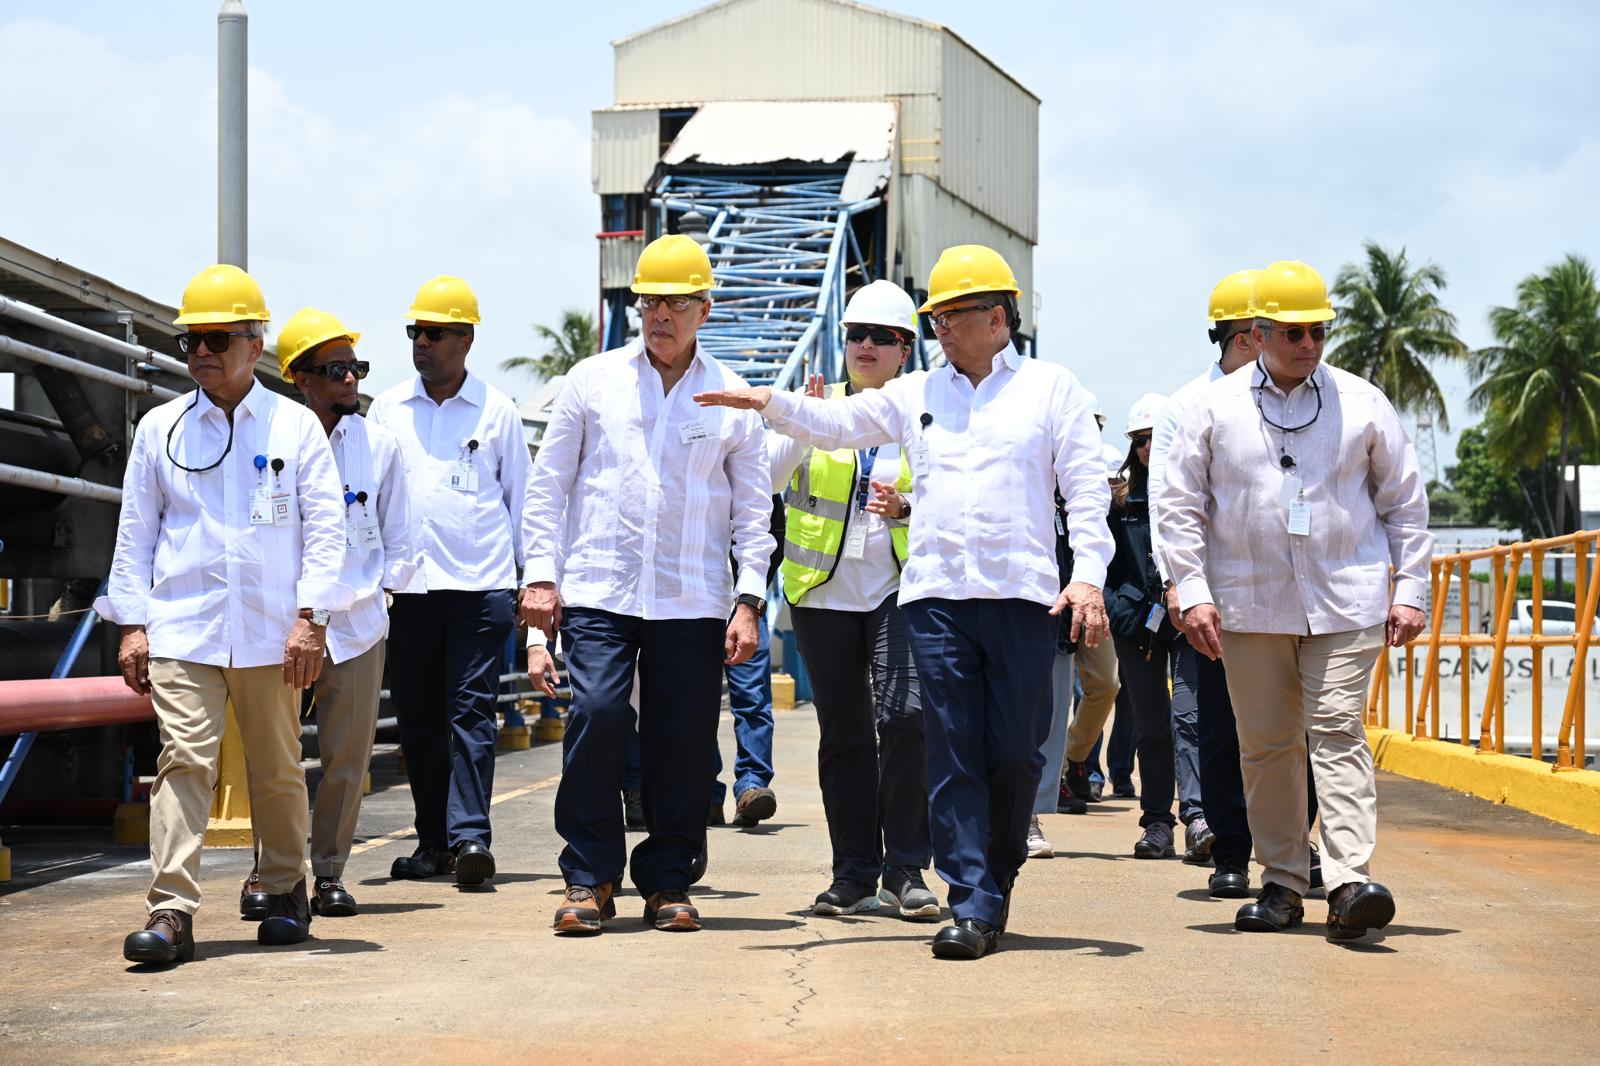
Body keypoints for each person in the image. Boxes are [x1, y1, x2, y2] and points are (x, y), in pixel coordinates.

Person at [695, 244, 1112, 960]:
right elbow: (838, 424)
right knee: (946, 750)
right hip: (935, 600)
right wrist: (772, 402)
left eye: (952, 316)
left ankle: (996, 874)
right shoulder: (916, 393)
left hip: (1022, 599)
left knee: (1014, 755)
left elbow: (1087, 489)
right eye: (935, 318)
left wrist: (1090, 575)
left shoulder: (1053, 390)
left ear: (998, 317)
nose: (940, 329)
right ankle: (969, 896)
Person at [1161, 260, 1432, 941]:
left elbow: (1405, 503)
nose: (1307, 344)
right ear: (1257, 334)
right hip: (1250, 606)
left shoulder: (1363, 402)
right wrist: (1189, 591)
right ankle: (1281, 883)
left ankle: (1346, 883)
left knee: (1337, 732)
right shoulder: (1211, 409)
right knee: (1269, 746)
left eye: (1317, 332)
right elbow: (1178, 507)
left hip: (1348, 599)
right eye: (1292, 333)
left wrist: (1412, 589)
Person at [522, 234, 774, 935]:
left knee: (683, 741)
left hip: (692, 598)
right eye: (649, 302)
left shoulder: (728, 397)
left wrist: (748, 599)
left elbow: (755, 512)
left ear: (705, 308)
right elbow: (548, 488)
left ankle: (667, 879)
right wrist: (541, 580)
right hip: (601, 588)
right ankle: (590, 875)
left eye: (676, 303)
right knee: (597, 716)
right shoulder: (592, 380)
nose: (660, 315)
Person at [104, 265, 350, 965]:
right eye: (191, 343)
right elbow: (136, 533)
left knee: (275, 766)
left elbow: (326, 529)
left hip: (275, 631)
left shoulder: (295, 426)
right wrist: (132, 623)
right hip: (185, 625)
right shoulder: (161, 429)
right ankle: (172, 910)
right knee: (183, 760)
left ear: (254, 341)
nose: (201, 355)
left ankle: (284, 890)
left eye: (215, 339)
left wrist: (313, 618)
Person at [767, 280, 937, 920]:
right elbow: (768, 480)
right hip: (821, 594)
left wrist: (908, 506)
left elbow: (950, 499)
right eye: (855, 335)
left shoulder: (921, 416)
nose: (865, 347)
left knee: (902, 722)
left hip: (897, 589)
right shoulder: (816, 405)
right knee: (843, 734)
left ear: (905, 350)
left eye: (881, 338)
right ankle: (853, 874)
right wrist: (802, 424)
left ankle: (906, 870)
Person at [238, 308, 413, 919]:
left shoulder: (380, 447)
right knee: (275, 755)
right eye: (335, 370)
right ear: (299, 379)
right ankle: (272, 869)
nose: (350, 381)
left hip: (358, 623)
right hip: (283, 626)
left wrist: (381, 599)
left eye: (355, 369)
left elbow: (401, 534)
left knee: (346, 758)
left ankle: (330, 872)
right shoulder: (267, 443)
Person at [1150, 269, 1319, 897]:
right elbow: (1168, 500)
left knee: (1292, 727)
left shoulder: (1312, 398)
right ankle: (1231, 847)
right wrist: (1178, 586)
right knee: (1222, 726)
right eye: (1261, 332)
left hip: (1293, 593)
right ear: (1240, 337)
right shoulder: (1189, 407)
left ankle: (1295, 845)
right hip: (1217, 596)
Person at [368, 276, 530, 888]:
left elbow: (523, 501)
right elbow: (369, 501)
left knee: (470, 716)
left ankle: (470, 840)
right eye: (415, 332)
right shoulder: (386, 410)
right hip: (408, 593)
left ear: (466, 339)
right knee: (418, 724)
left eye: (434, 333)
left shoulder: (498, 412)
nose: (422, 343)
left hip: (478, 591)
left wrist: (532, 582)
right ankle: (432, 842)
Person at [1104, 394, 1207, 860]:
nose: (1148, 448)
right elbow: (1102, 567)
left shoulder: (1196, 491)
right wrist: (1125, 613)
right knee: (1152, 727)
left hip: (1189, 625)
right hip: (1136, 630)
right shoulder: (1119, 500)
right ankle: (1157, 823)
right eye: (1140, 441)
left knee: (1190, 718)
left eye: (1155, 438)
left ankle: (1198, 817)